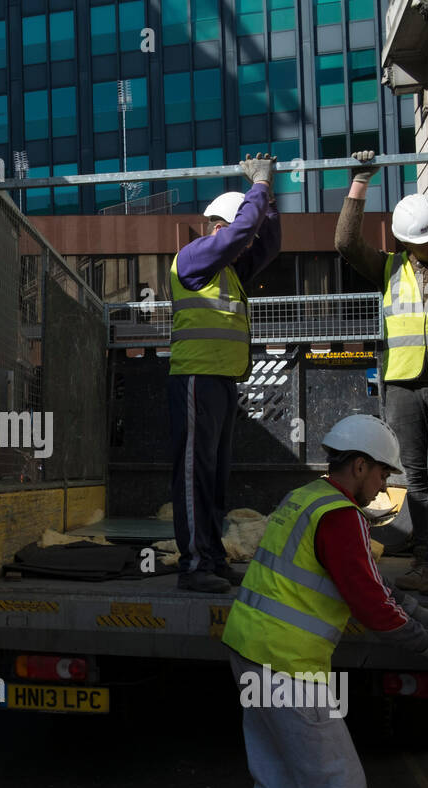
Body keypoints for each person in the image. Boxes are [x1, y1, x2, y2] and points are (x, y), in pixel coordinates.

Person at [221, 414, 428, 788]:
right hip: (287, 667)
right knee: (339, 784)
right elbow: (372, 609)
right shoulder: (342, 517)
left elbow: (367, 582)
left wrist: (424, 613)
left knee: (279, 778)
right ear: (361, 466)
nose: (384, 487)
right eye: (384, 473)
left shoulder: (305, 498)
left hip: (248, 652)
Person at [335, 151, 428, 598]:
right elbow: (345, 242)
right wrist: (360, 181)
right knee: (414, 480)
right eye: (425, 242)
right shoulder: (389, 267)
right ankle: (425, 565)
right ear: (406, 243)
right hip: (402, 388)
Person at [169, 153, 282, 593]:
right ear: (223, 226)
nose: (247, 244)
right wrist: (258, 188)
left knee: (214, 477)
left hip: (219, 382)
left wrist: (266, 195)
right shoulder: (196, 256)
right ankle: (194, 564)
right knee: (196, 476)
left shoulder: (228, 271)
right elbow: (244, 234)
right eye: (241, 232)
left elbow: (268, 244)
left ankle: (211, 558)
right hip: (196, 380)